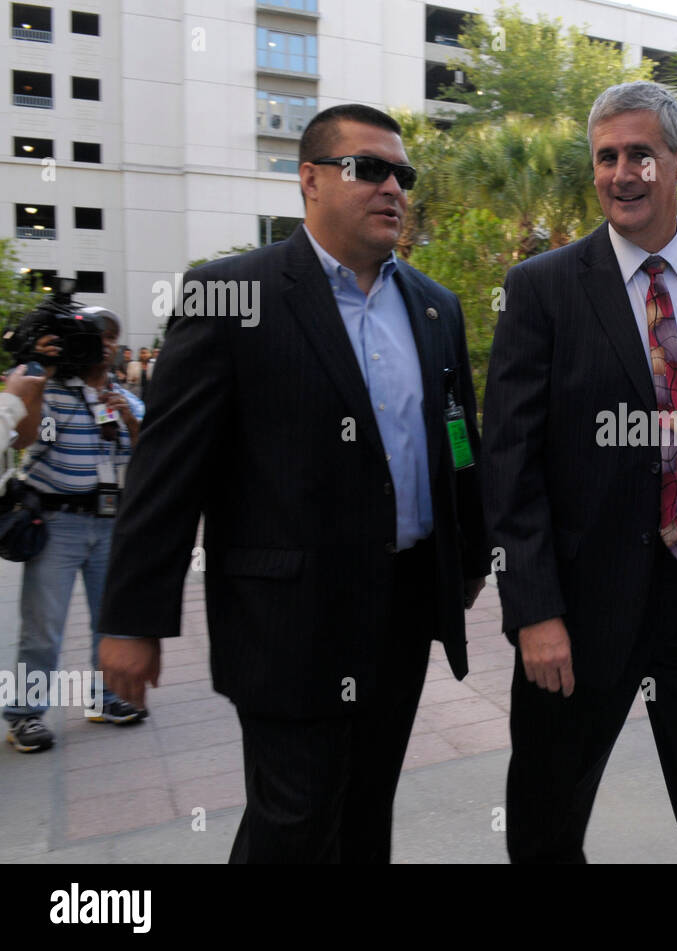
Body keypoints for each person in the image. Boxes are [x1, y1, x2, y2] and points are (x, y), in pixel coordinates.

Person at [96, 103, 491, 862]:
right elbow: (168, 471)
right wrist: (132, 617)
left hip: (403, 609)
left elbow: (456, 440)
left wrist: (470, 555)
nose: (392, 188)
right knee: (296, 819)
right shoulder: (230, 295)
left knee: (367, 810)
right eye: (368, 168)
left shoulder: (435, 306)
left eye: (401, 174)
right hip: (289, 621)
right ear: (309, 179)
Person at [482, 81, 677, 863]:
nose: (622, 174)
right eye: (606, 157)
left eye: (640, 155)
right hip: (583, 598)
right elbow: (509, 460)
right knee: (549, 809)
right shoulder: (542, 289)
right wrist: (534, 610)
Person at [4, 308, 146, 752]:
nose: (105, 344)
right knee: (43, 627)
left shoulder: (123, 396)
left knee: (111, 622)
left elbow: (150, 458)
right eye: (97, 336)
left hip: (111, 524)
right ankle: (25, 714)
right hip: (59, 521)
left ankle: (105, 699)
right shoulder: (51, 392)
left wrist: (129, 421)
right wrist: (40, 374)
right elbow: (25, 441)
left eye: (111, 337)